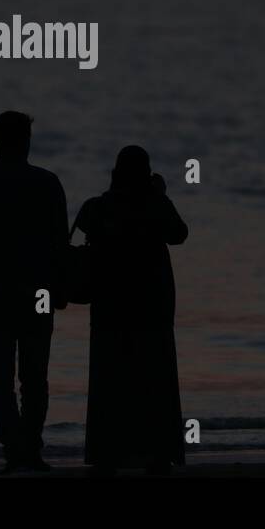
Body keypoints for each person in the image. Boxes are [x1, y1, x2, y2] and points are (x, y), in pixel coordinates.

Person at [0, 111, 69, 473]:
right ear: (27, 141)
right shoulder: (48, 183)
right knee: (35, 376)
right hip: (36, 289)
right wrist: (60, 288)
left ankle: (13, 447)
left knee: (1, 377)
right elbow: (59, 244)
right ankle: (30, 448)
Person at [74, 145, 188, 475]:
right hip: (152, 304)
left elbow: (84, 223)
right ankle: (157, 450)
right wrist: (159, 194)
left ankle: (108, 450)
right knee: (155, 377)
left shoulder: (99, 206)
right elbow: (179, 233)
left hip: (111, 304)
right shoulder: (154, 204)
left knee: (110, 378)